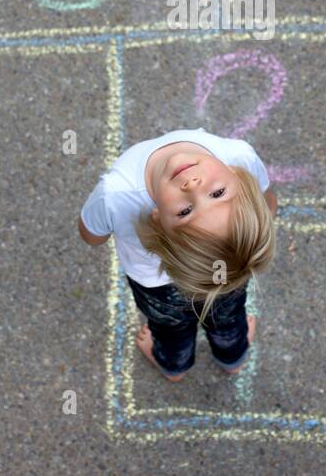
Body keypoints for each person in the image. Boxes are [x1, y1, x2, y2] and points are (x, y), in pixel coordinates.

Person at [79, 129, 277, 380]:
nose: (193, 186)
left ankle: (174, 368)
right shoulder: (239, 155)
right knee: (227, 317)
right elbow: (268, 205)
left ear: (157, 223)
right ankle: (233, 359)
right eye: (217, 194)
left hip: (157, 287)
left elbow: (92, 236)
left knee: (170, 330)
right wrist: (245, 239)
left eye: (186, 211)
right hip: (225, 275)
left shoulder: (115, 195)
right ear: (240, 177)